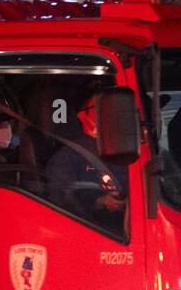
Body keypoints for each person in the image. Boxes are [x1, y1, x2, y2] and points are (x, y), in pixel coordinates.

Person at [46, 93, 128, 226]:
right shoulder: (68, 156)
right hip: (97, 228)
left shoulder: (129, 149)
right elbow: (61, 199)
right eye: (101, 110)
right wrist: (100, 201)